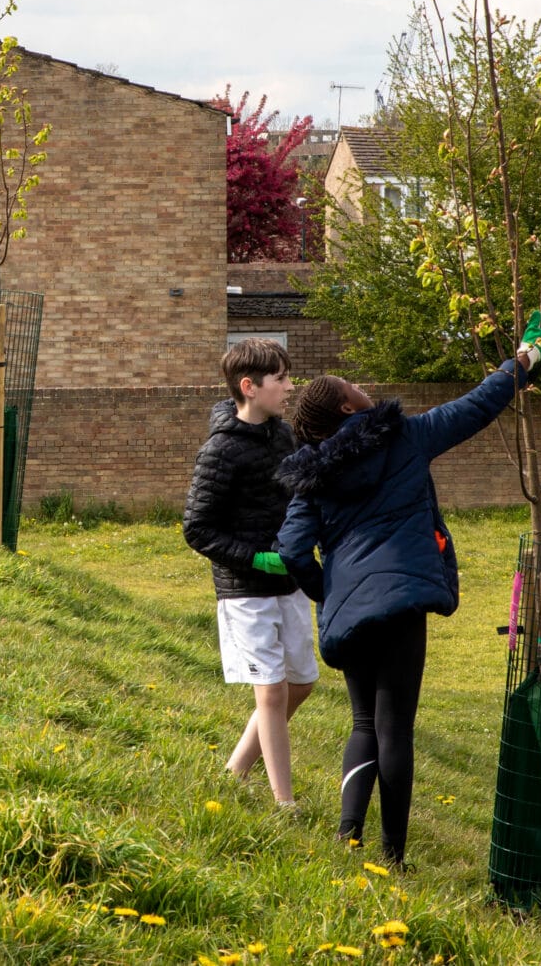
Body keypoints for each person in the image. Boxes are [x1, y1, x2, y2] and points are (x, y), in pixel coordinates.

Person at [274, 313, 541, 864]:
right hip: (402, 601)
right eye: (358, 388)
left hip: (350, 610)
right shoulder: (403, 437)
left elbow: (289, 549)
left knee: (362, 723)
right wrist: (524, 360)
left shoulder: (312, 478)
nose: (367, 389)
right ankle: (393, 855)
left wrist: (327, 591)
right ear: (348, 408)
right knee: (395, 727)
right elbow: (476, 406)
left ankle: (348, 834)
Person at [183, 338, 313, 810]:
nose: (289, 386)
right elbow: (197, 529)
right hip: (244, 592)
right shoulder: (219, 451)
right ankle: (285, 803)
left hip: (290, 582)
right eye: (281, 378)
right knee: (273, 691)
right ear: (249, 386)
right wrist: (256, 558)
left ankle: (236, 769)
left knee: (302, 682)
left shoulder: (283, 436)